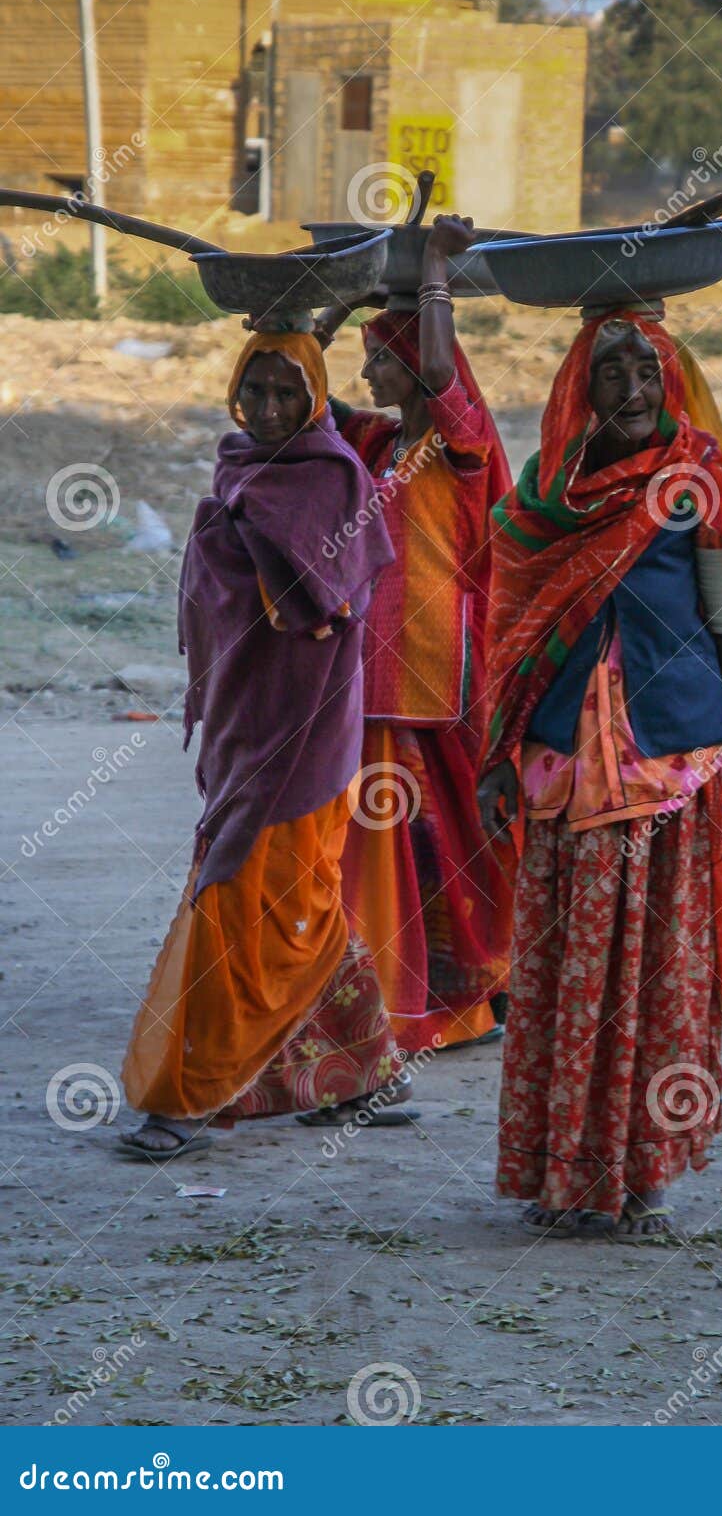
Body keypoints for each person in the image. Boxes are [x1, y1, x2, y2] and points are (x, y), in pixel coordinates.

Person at [477, 308, 722, 1239]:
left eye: (649, 373)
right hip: (563, 764)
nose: (635, 392)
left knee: (657, 977)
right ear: (579, 389)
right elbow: (512, 638)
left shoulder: (694, 485)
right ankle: (560, 1171)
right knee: (562, 974)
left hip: (666, 762)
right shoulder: (543, 499)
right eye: (613, 375)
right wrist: (497, 760)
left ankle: (641, 1176)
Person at [120, 330, 400, 1159]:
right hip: (247, 720)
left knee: (238, 892)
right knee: (299, 902)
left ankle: (190, 1094)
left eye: (288, 392)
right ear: (236, 394)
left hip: (307, 725)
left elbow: (324, 601)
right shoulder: (238, 466)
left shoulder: (329, 475)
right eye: (257, 391)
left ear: (315, 396)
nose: (270, 409)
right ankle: (356, 1069)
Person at [318, 214, 513, 1067]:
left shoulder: (455, 435)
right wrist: (315, 315)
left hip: (439, 669)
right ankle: (388, 989)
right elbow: (296, 402)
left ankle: (465, 988)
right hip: (372, 672)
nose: (370, 371)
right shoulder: (369, 438)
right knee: (380, 844)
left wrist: (433, 270)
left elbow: (439, 368)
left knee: (449, 837)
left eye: (380, 357)